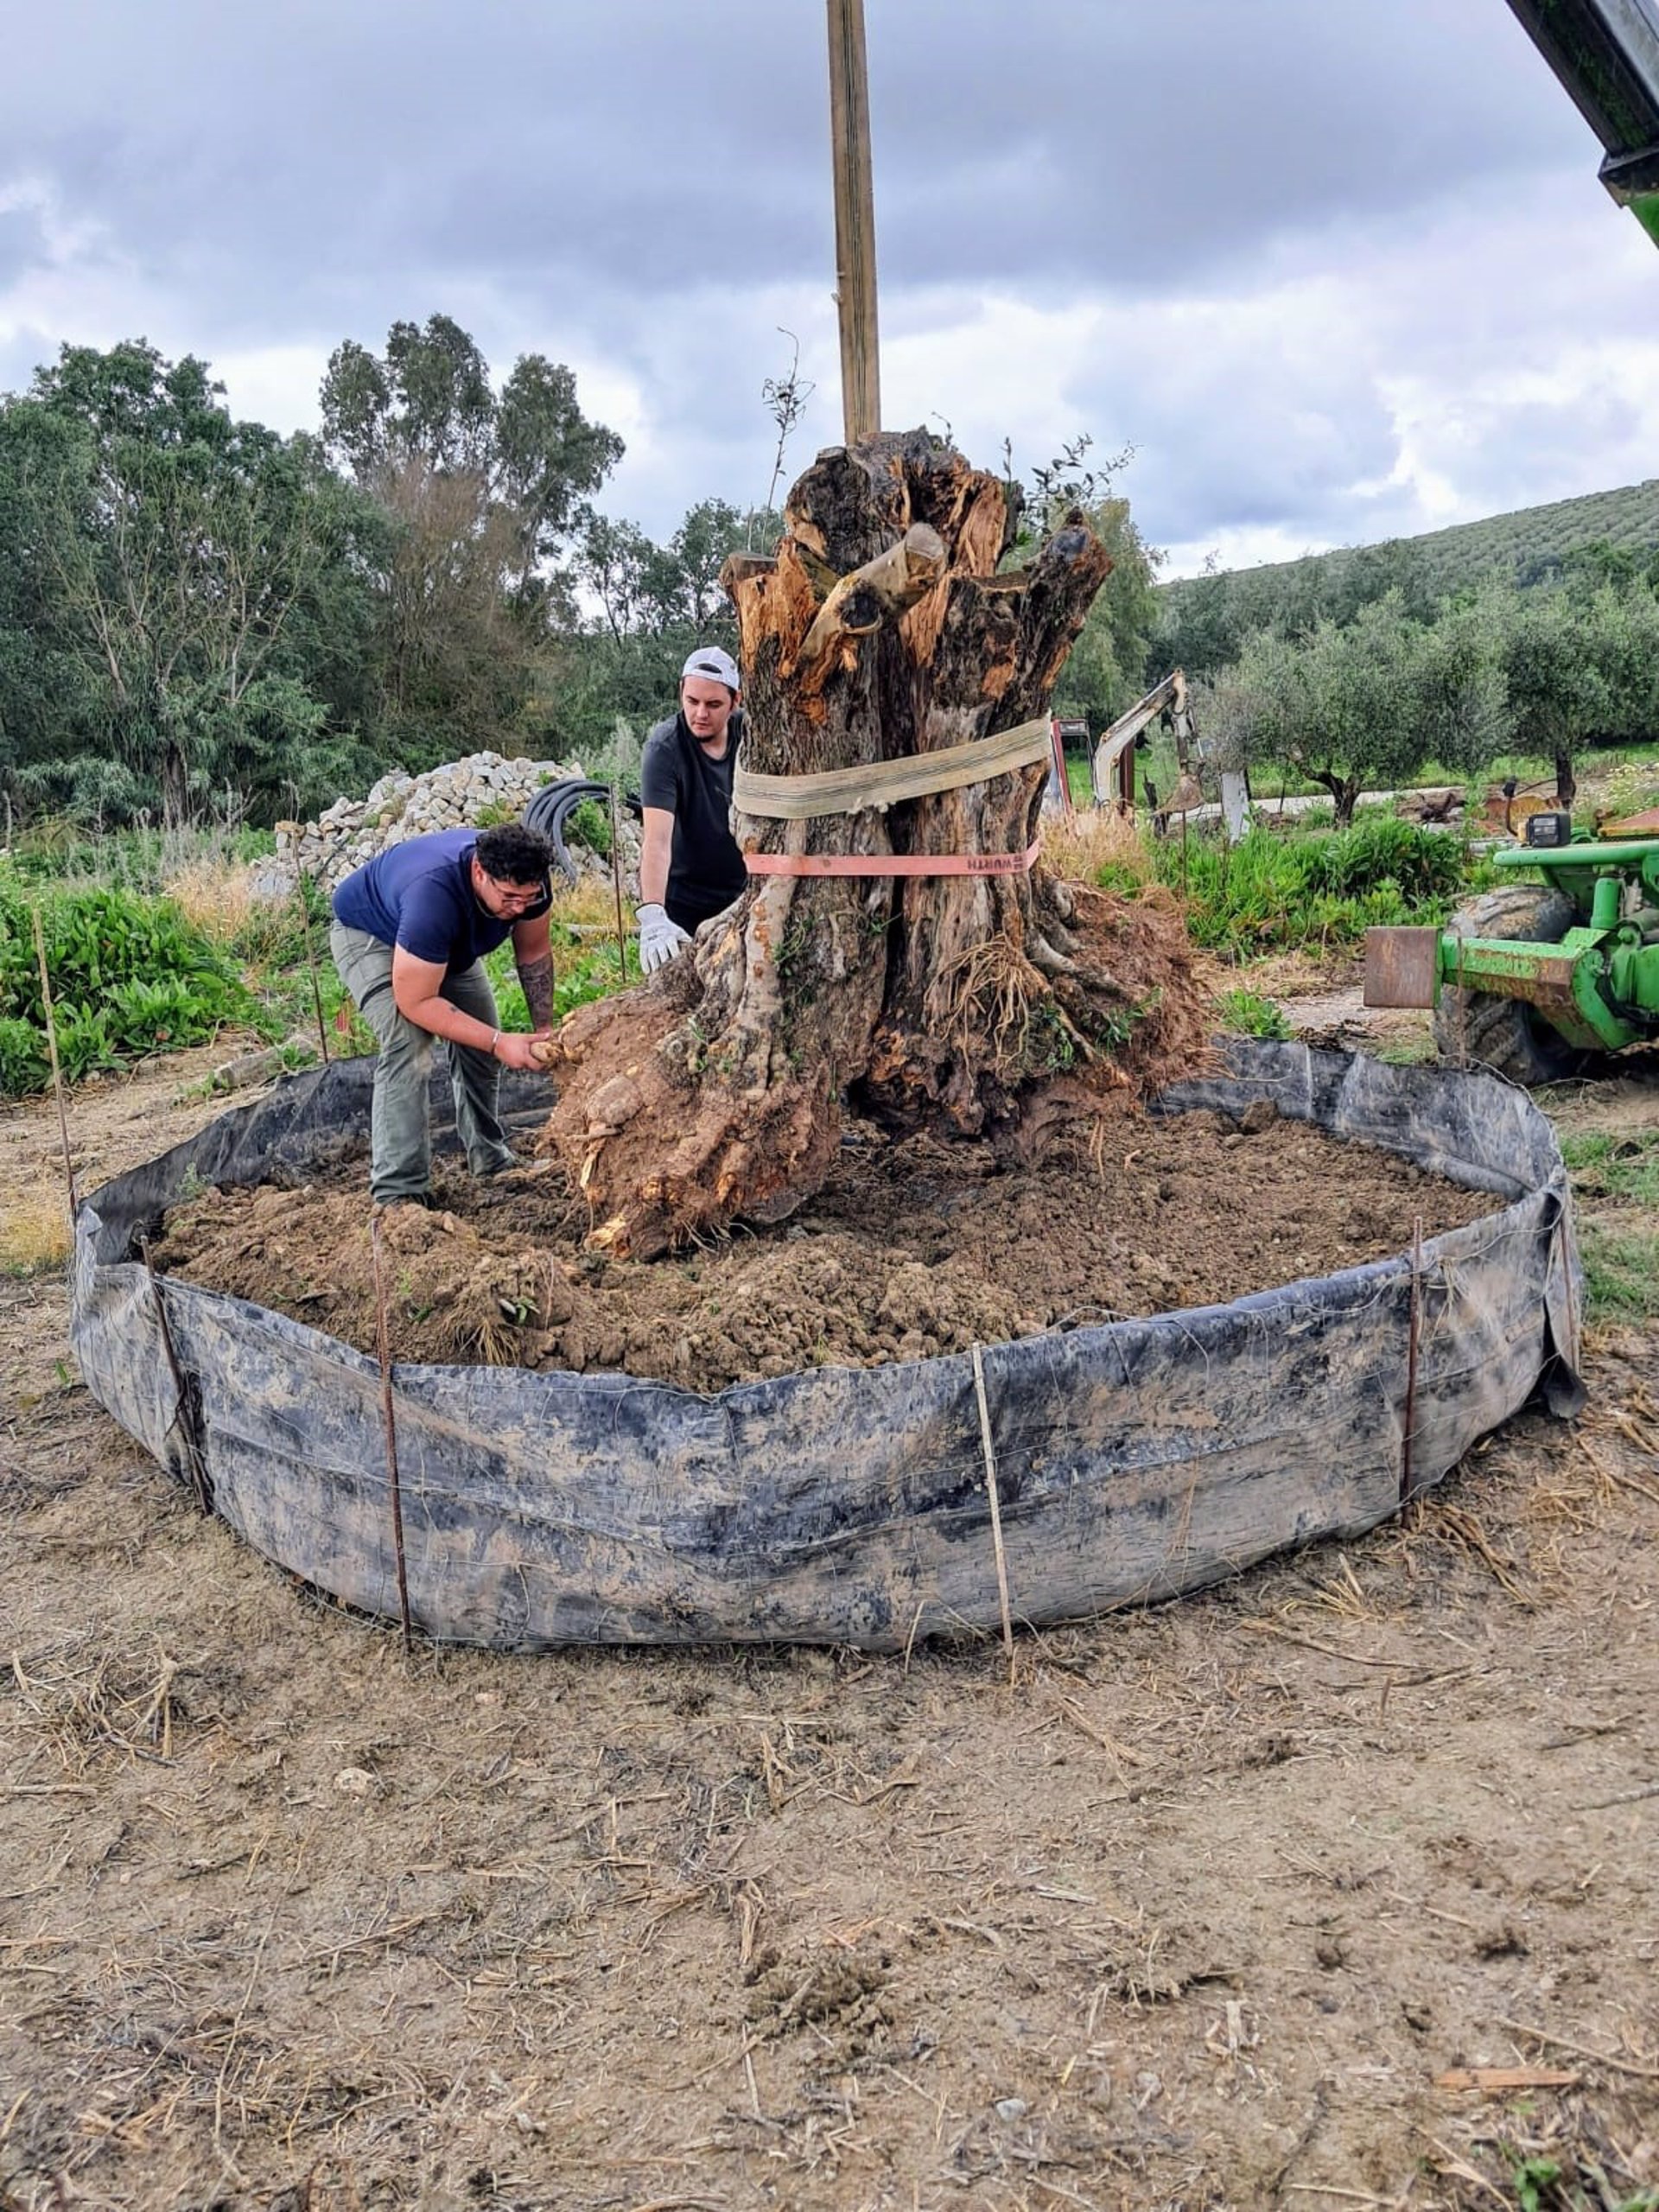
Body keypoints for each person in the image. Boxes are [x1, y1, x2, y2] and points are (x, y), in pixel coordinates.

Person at [330, 822, 557, 1207]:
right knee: (409, 1043)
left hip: (444, 945)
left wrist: (543, 1030)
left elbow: (533, 953)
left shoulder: (530, 885)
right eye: (509, 897)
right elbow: (416, 1002)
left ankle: (490, 1158)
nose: (518, 908)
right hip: (373, 936)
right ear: (479, 873)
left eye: (527, 898)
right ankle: (398, 1193)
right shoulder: (431, 896)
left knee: (482, 1040)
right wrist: (501, 1043)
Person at [636, 645, 748, 972]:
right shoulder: (664, 748)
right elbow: (656, 841)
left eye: (713, 704)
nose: (701, 714)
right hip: (683, 902)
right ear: (681, 692)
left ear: (735, 701)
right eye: (692, 701)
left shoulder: (751, 736)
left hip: (742, 893)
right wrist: (654, 914)